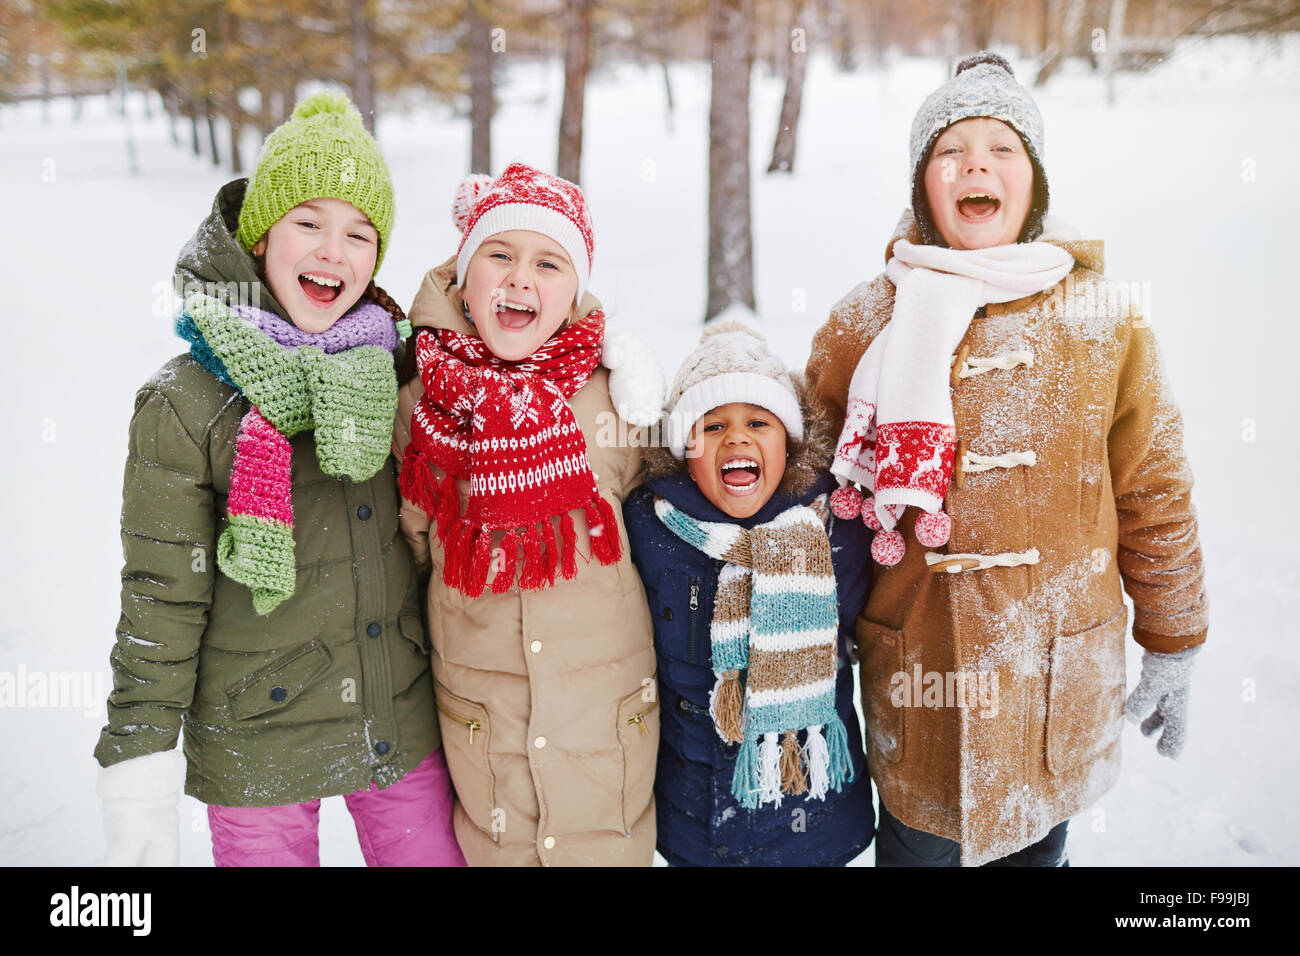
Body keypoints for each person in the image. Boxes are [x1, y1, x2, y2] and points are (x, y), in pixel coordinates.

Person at [805, 53, 1209, 866]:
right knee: (917, 847)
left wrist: (1174, 638)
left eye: (1003, 148)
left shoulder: (1102, 320)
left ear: (1036, 186)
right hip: (920, 678)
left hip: (1052, 682)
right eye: (951, 151)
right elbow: (811, 484)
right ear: (924, 185)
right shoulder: (866, 320)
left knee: (1036, 850)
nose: (976, 165)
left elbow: (1154, 490)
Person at [95, 92, 463, 867]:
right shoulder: (186, 403)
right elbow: (160, 599)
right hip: (253, 737)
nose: (334, 252)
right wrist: (139, 756)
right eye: (308, 223)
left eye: (360, 234)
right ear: (260, 235)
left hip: (395, 715)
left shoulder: (394, 370)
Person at [394, 162, 663, 865]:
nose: (520, 278)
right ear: (462, 275)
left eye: (549, 262)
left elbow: (655, 519)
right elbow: (414, 539)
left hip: (603, 721)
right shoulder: (421, 402)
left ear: (575, 292)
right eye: (499, 255)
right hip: (485, 716)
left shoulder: (612, 400)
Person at [624, 320, 875, 866]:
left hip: (813, 819)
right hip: (696, 818)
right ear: (684, 451)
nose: (736, 438)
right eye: (712, 428)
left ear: (788, 442)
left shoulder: (831, 526)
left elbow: (866, 627)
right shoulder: (651, 528)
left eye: (758, 421)